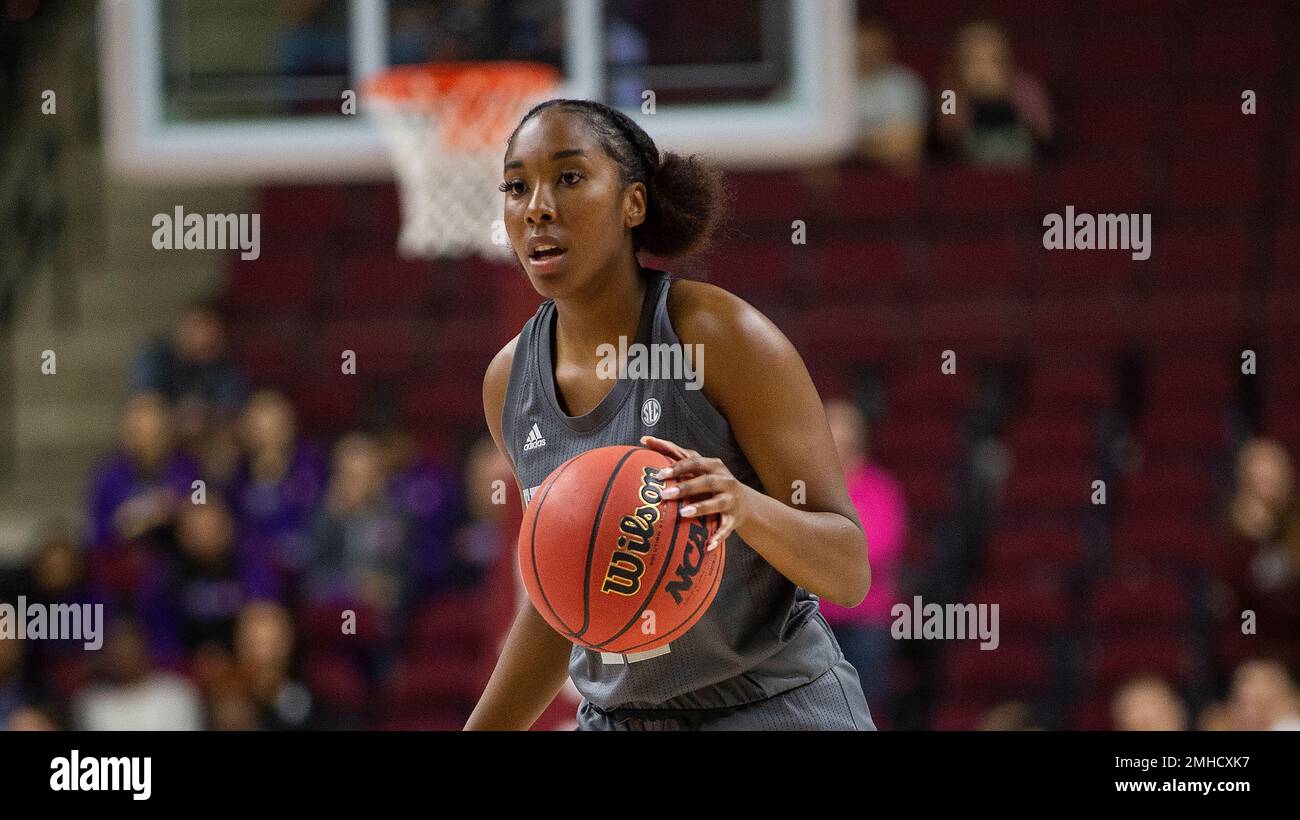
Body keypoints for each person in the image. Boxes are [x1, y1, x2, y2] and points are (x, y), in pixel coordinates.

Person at [464, 99, 875, 731]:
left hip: (773, 705)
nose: (537, 207)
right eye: (517, 187)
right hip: (619, 716)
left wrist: (743, 505)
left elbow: (848, 571)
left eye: (569, 177)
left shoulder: (717, 334)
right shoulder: (507, 383)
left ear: (633, 204)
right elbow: (566, 595)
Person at [820, 398, 907, 721]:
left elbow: (877, 549)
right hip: (814, 618)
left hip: (864, 621)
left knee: (862, 711)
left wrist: (818, 548)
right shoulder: (809, 485)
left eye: (841, 441)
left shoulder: (881, 488)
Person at [934, 20, 1053, 167]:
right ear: (959, 60)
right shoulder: (949, 91)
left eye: (992, 58)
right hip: (968, 172)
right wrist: (975, 98)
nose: (983, 67)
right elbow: (946, 136)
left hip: (1021, 169)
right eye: (974, 59)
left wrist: (1002, 98)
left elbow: (1044, 134)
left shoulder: (1026, 86)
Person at [851, 18, 927, 172]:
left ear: (887, 46)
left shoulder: (904, 84)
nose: (868, 51)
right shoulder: (827, 85)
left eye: (874, 46)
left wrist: (848, 143)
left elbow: (905, 147)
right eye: (863, 45)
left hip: (891, 175)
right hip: (840, 175)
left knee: (906, 165)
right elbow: (814, 148)